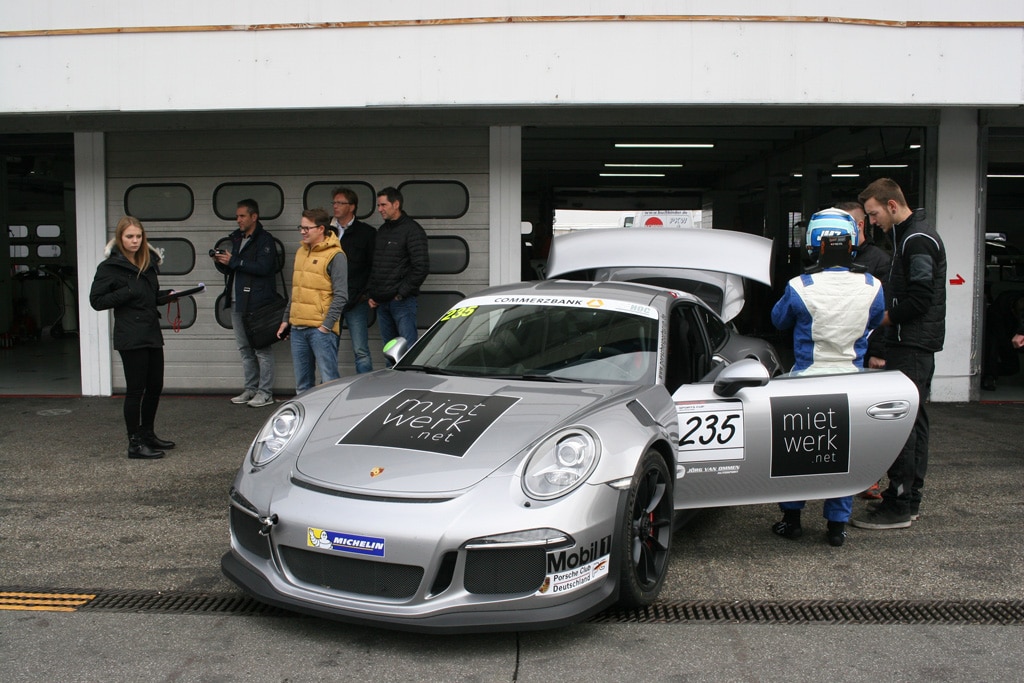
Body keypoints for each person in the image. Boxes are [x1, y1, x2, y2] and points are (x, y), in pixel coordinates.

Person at [770, 208, 885, 546]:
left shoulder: (799, 285)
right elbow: (875, 319)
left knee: (798, 453)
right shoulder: (872, 284)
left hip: (806, 382)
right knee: (842, 456)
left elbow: (778, 321)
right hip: (852, 383)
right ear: (851, 242)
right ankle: (837, 527)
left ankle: (791, 521)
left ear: (813, 245)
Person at [852, 178, 947, 531]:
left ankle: (901, 503)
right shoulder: (908, 236)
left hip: (912, 344)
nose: (872, 221)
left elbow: (920, 298)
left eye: (874, 214)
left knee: (904, 424)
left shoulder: (916, 239)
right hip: (914, 342)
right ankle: (907, 500)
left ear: (892, 206)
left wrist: (880, 320)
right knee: (915, 421)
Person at [89, 216, 177, 459]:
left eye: (138, 236)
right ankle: (135, 443)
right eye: (130, 237)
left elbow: (147, 296)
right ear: (120, 238)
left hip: (151, 331)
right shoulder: (109, 267)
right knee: (135, 390)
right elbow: (96, 301)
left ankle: (148, 434)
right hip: (130, 334)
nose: (135, 241)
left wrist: (166, 296)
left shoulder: (148, 263)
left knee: (155, 386)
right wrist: (126, 292)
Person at [836, 199, 889, 499]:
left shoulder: (879, 261)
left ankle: (868, 478)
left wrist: (877, 352)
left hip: (865, 351)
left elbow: (882, 312)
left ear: (858, 226)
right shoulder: (832, 257)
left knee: (864, 420)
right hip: (836, 351)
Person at [213, 199, 279, 408]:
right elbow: (236, 269)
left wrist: (235, 261)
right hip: (237, 300)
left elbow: (264, 267)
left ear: (254, 217)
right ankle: (251, 389)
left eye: (242, 216)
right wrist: (222, 263)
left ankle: (265, 392)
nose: (238, 219)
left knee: (261, 348)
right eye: (237, 216)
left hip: (257, 303)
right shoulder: (236, 238)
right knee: (244, 348)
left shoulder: (264, 240)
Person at [277, 208, 348, 394]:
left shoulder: (336, 255)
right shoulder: (301, 252)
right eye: (301, 227)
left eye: (307, 228)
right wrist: (287, 319)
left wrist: (326, 326)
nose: (302, 231)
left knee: (329, 383)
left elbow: (341, 295)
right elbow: (297, 290)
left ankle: (331, 422)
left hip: (320, 331)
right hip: (298, 328)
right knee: (302, 386)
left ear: (321, 229)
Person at [368, 187, 429, 361]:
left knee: (408, 351)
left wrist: (401, 294)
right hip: (381, 303)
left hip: (402, 303)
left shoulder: (412, 230)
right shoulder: (382, 231)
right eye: (378, 205)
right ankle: (391, 386)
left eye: (383, 205)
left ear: (396, 204)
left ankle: (411, 385)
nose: (379, 209)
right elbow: (376, 264)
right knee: (390, 352)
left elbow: (421, 266)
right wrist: (372, 293)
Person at [330, 187, 376, 374]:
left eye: (340, 203)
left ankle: (366, 389)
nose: (335, 206)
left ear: (352, 207)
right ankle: (329, 387)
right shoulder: (327, 231)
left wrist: (366, 293)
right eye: (334, 203)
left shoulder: (366, 233)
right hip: (331, 298)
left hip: (356, 299)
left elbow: (374, 266)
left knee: (361, 349)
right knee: (329, 347)